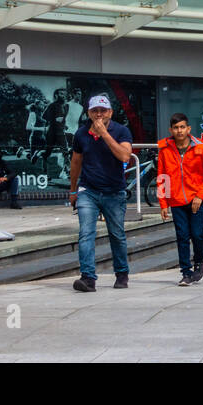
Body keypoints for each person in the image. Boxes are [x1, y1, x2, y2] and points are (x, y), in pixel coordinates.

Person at [69, 94, 133, 292]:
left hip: (114, 192)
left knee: (117, 234)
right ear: (88, 113)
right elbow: (76, 162)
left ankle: (122, 274)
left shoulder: (121, 131)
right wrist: (72, 190)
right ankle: (88, 278)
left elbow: (125, 156)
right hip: (88, 190)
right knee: (86, 233)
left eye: (103, 111)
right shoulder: (81, 134)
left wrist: (104, 133)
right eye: (94, 111)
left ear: (110, 112)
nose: (98, 115)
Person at [156, 113, 203, 286]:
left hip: (195, 200)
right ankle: (186, 272)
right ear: (171, 130)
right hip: (176, 201)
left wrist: (201, 195)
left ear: (188, 129)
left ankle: (199, 262)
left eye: (182, 127)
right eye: (176, 128)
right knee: (182, 236)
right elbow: (162, 177)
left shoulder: (200, 148)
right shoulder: (165, 150)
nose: (179, 131)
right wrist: (163, 203)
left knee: (197, 234)